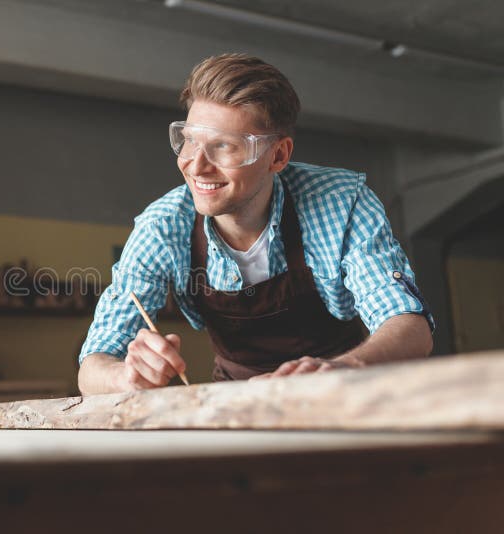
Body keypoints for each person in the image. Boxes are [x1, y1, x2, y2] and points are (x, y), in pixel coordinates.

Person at [77, 53, 434, 395]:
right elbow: (92, 366)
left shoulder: (341, 201)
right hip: (237, 404)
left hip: (343, 391)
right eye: (189, 141)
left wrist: (345, 370)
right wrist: (125, 376)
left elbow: (409, 324)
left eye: (224, 147)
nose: (195, 165)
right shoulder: (162, 226)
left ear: (278, 155)